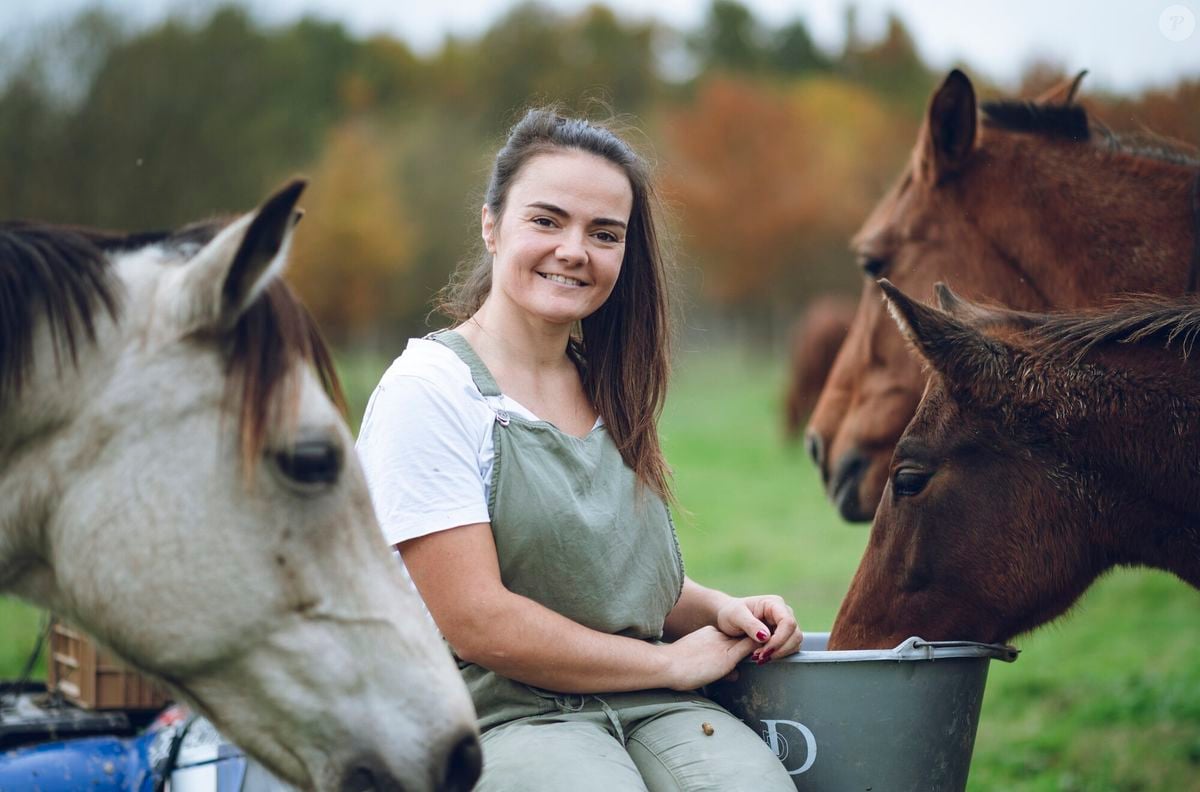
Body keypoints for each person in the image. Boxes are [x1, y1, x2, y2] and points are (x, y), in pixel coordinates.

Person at [356, 108, 801, 791]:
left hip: (650, 705)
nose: (574, 250)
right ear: (491, 225)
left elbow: (606, 584)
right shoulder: (429, 391)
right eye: (547, 220)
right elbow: (477, 621)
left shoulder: (609, 387)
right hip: (492, 717)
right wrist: (671, 663)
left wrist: (721, 610)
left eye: (604, 234)